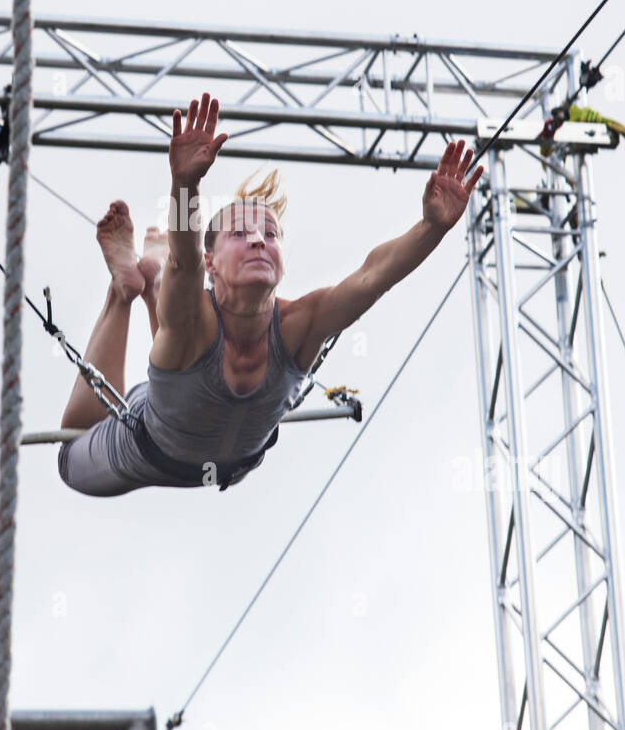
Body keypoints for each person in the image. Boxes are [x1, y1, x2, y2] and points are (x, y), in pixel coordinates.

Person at [57, 92, 483, 496]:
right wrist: (184, 183)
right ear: (212, 263)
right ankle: (126, 291)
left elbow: (374, 276)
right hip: (148, 452)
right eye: (240, 234)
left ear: (283, 258)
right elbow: (185, 262)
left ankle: (150, 279)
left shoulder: (301, 323)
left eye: (270, 234)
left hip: (235, 462)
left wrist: (432, 227)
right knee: (73, 448)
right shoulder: (196, 299)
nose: (259, 241)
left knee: (178, 324)